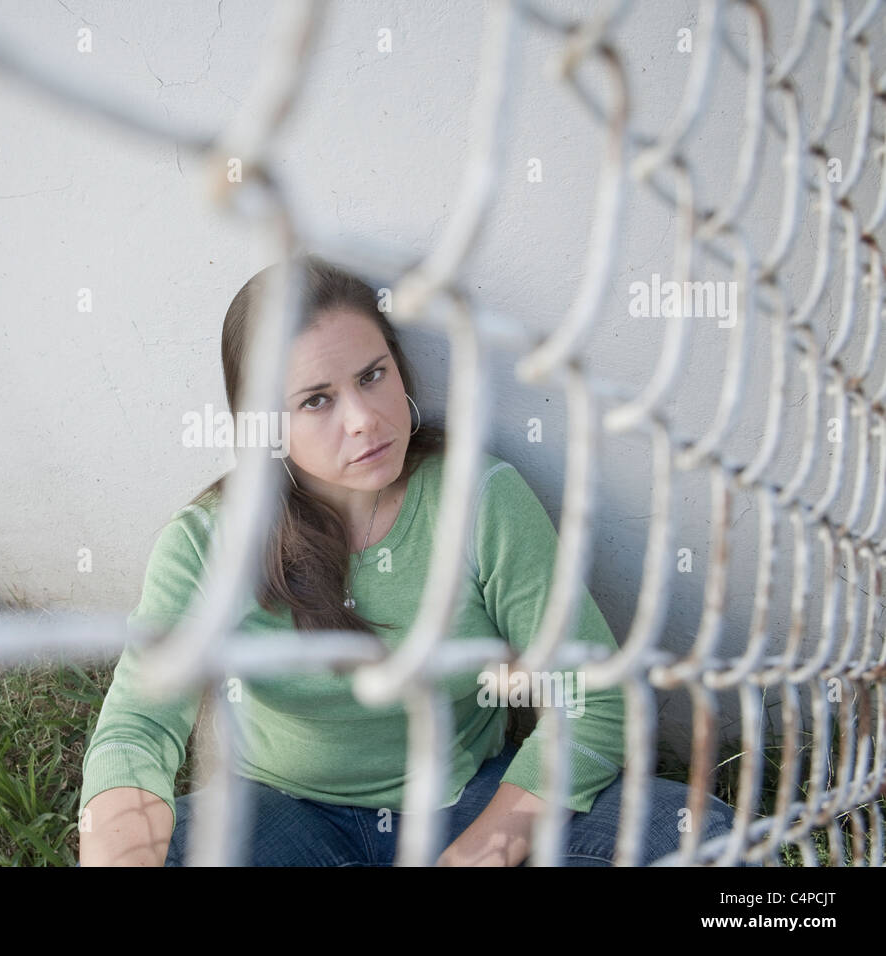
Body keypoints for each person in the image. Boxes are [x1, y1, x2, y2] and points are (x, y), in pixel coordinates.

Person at [77, 254, 749, 867]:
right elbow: (138, 725)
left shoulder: (480, 500)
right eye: (317, 400)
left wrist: (478, 853)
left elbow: (595, 695)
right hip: (288, 818)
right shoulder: (204, 545)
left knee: (699, 837)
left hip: (466, 802)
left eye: (373, 375)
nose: (366, 419)